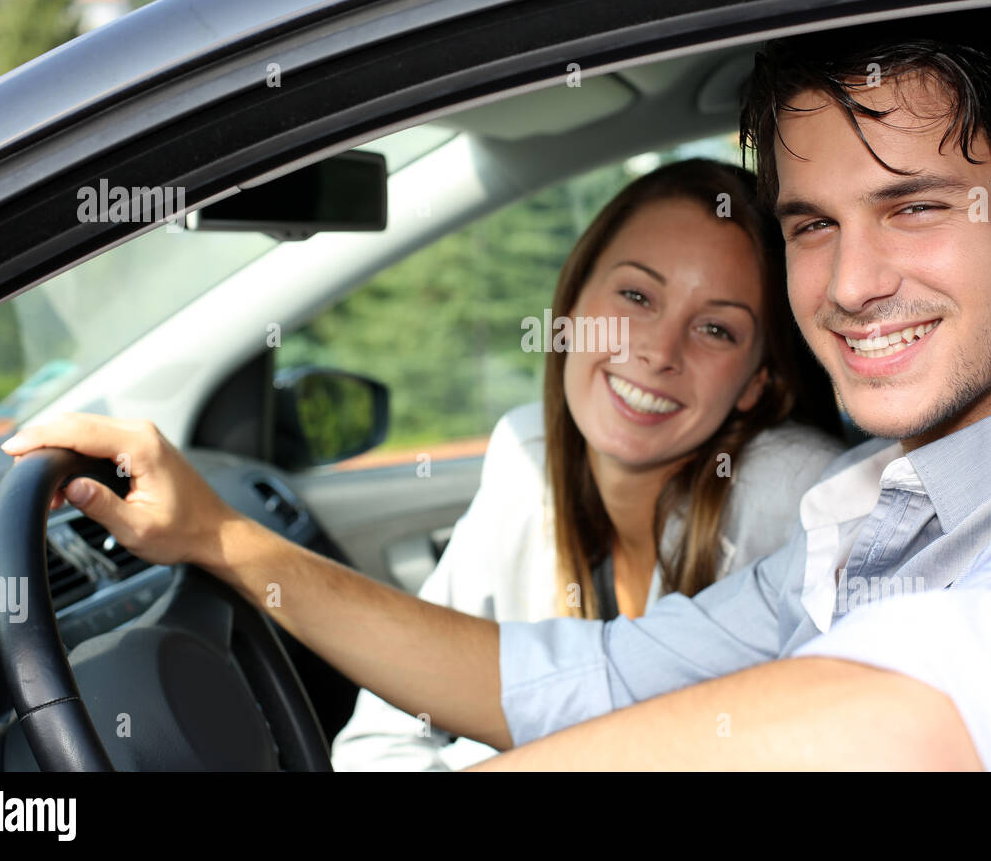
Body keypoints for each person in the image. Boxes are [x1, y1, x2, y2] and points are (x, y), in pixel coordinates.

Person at [2, 4, 991, 770]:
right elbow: (567, 682)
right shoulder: (872, 510)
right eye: (811, 224)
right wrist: (218, 535)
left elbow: (917, 718)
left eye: (915, 207)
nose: (850, 281)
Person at [330, 159, 846, 770]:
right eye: (635, 296)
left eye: (715, 329)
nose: (658, 352)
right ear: (571, 308)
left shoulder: (799, 498)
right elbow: (383, 737)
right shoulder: (527, 456)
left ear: (756, 382)